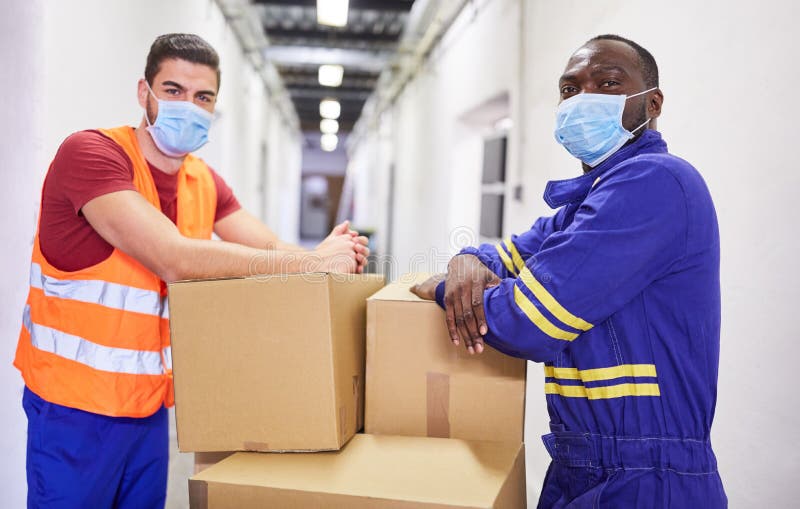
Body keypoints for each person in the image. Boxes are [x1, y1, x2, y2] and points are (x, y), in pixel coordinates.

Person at [14, 33, 369, 508]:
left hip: (150, 411)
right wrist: (311, 261)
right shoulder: (92, 156)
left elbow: (271, 248)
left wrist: (330, 253)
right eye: (174, 90)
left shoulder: (202, 181)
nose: (189, 105)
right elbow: (175, 258)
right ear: (145, 93)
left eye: (203, 97)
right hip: (74, 412)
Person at [412, 34, 727, 507]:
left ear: (652, 102)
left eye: (607, 83)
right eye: (570, 88)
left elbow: (529, 322)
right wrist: (465, 261)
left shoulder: (656, 184)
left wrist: (442, 288)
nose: (583, 99)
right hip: (582, 467)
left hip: (648, 480)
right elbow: (503, 256)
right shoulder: (584, 205)